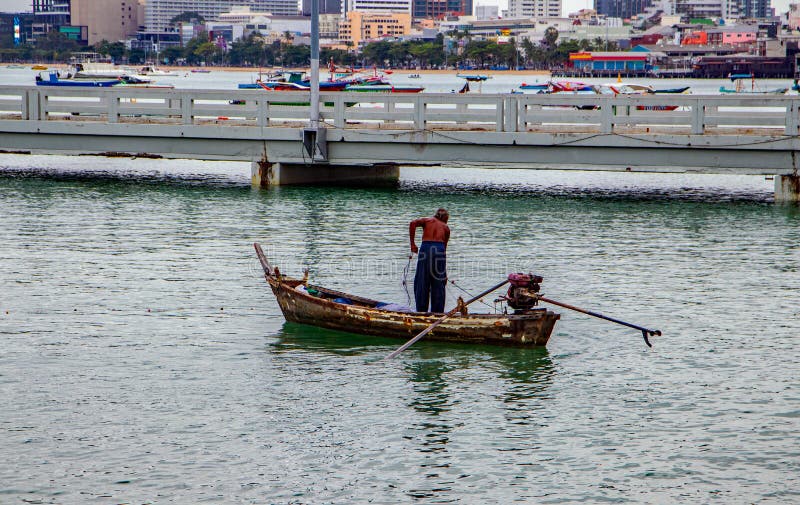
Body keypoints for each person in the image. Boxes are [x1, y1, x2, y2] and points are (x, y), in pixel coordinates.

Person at [409, 208, 450, 313]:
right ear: (445, 218)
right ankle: (437, 312)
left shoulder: (427, 220)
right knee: (438, 281)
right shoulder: (446, 228)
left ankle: (421, 310)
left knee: (422, 280)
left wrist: (412, 244)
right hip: (439, 249)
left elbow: (412, 223)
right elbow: (444, 251)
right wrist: (444, 273)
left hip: (426, 249)